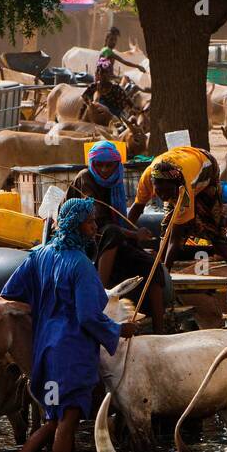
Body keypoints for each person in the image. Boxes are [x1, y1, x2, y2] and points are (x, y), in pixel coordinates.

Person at [0, 197, 138, 452]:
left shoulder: (39, 254)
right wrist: (119, 329)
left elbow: (10, 290)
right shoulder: (81, 265)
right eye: (90, 222)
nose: (95, 227)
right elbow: (87, 316)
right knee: (68, 420)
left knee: (53, 418)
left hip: (45, 354)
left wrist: (43, 306)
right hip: (71, 355)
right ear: (76, 226)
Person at [129, 146, 227, 311]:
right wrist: (126, 234)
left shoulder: (185, 191)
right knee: (165, 230)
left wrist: (163, 275)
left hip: (206, 168)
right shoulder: (147, 178)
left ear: (177, 188)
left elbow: (175, 240)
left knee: (216, 238)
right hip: (184, 161)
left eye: (168, 192)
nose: (163, 196)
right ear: (153, 185)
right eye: (159, 192)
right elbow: (137, 208)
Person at [65, 140, 170, 332]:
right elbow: (100, 224)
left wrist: (134, 239)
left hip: (113, 238)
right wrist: (134, 234)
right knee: (112, 233)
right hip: (87, 239)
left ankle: (159, 329)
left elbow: (118, 222)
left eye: (109, 165)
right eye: (99, 165)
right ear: (92, 164)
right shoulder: (86, 177)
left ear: (116, 165)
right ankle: (98, 297)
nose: (104, 169)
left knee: (151, 265)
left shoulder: (117, 180)